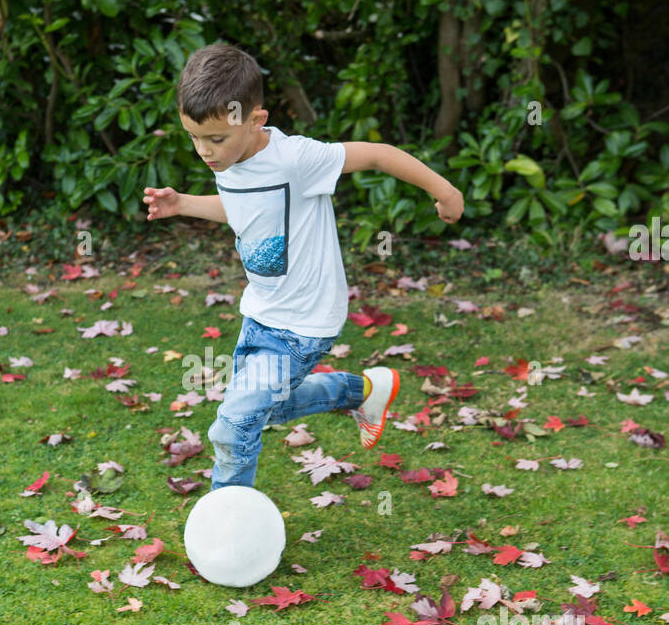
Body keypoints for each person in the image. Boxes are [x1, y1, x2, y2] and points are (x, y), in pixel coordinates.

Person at [143, 42, 464, 490]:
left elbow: (376, 154)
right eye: (193, 137)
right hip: (259, 315)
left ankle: (228, 526)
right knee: (264, 408)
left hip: (303, 322)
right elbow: (245, 210)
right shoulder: (230, 158)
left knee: (232, 426)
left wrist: (445, 191)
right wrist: (184, 204)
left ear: (257, 119)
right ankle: (364, 393)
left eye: (215, 139)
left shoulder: (296, 159)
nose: (204, 151)